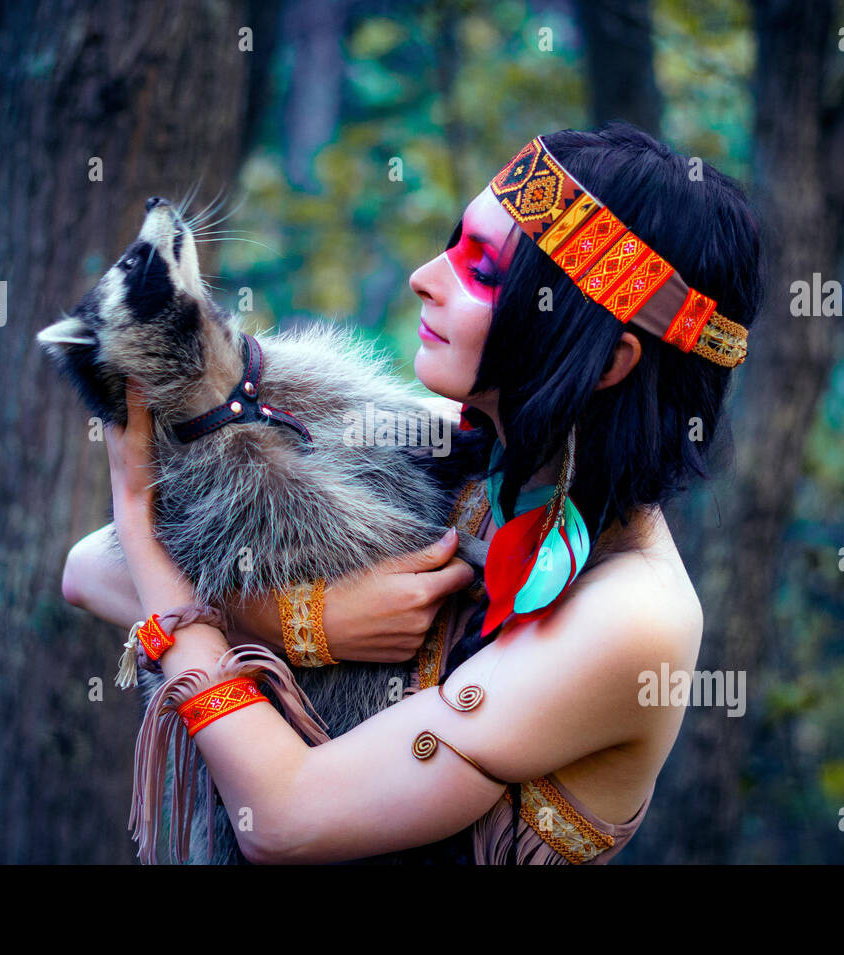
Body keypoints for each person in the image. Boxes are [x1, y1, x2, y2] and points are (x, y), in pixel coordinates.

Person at [63, 120, 763, 864]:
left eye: (483, 272)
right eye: (453, 242)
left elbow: (282, 814)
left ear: (608, 361)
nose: (425, 276)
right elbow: (86, 570)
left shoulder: (634, 618)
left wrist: (140, 525)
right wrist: (316, 620)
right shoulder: (467, 442)